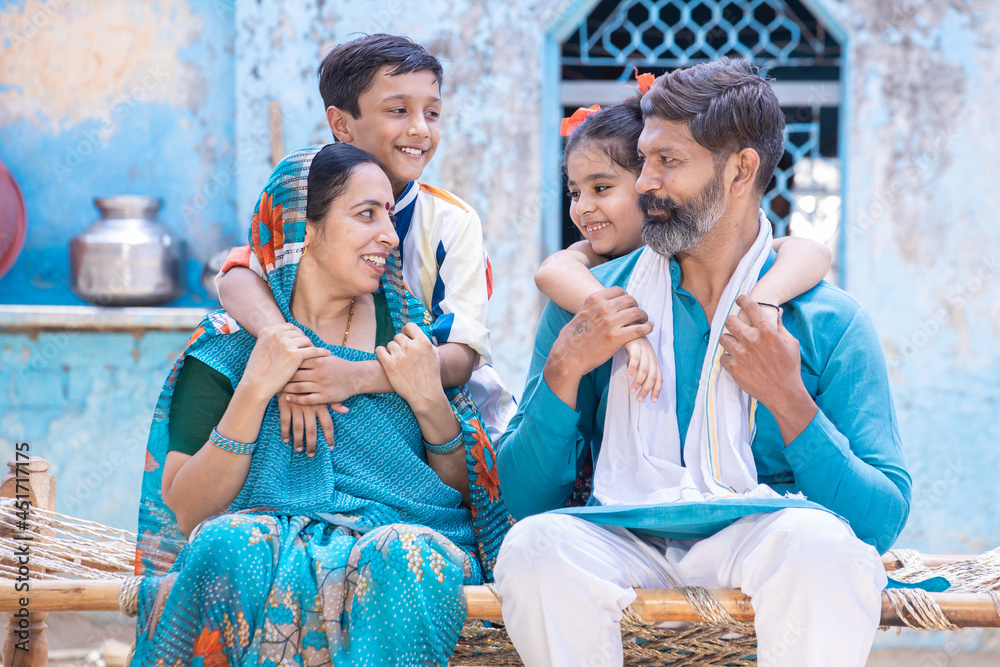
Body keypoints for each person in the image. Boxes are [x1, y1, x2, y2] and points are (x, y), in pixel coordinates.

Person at [494, 58, 910, 667]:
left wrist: (789, 402)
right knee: (535, 546)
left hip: (762, 539)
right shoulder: (594, 309)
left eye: (668, 162)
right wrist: (563, 373)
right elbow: (528, 500)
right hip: (622, 536)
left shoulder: (828, 322)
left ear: (740, 169)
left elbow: (878, 521)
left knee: (823, 545)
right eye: (643, 160)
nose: (644, 183)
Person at [132, 143, 511, 666]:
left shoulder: (409, 335)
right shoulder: (226, 346)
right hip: (268, 537)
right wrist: (257, 388)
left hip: (401, 541)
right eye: (366, 214)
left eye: (389, 214)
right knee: (230, 543)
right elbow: (190, 511)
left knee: (404, 554)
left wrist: (428, 403)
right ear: (302, 229)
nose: (388, 234)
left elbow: (464, 498)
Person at [216, 34, 515, 450]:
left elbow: (461, 357)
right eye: (398, 110)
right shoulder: (307, 191)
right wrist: (296, 358)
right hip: (329, 398)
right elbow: (238, 275)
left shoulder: (451, 221)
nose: (419, 129)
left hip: (444, 415)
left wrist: (352, 376)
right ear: (341, 124)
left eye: (432, 113)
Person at [536, 94, 831, 407]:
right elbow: (551, 271)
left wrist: (762, 302)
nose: (583, 207)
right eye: (574, 193)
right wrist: (630, 332)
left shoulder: (719, 264)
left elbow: (812, 252)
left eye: (601, 188)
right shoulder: (599, 266)